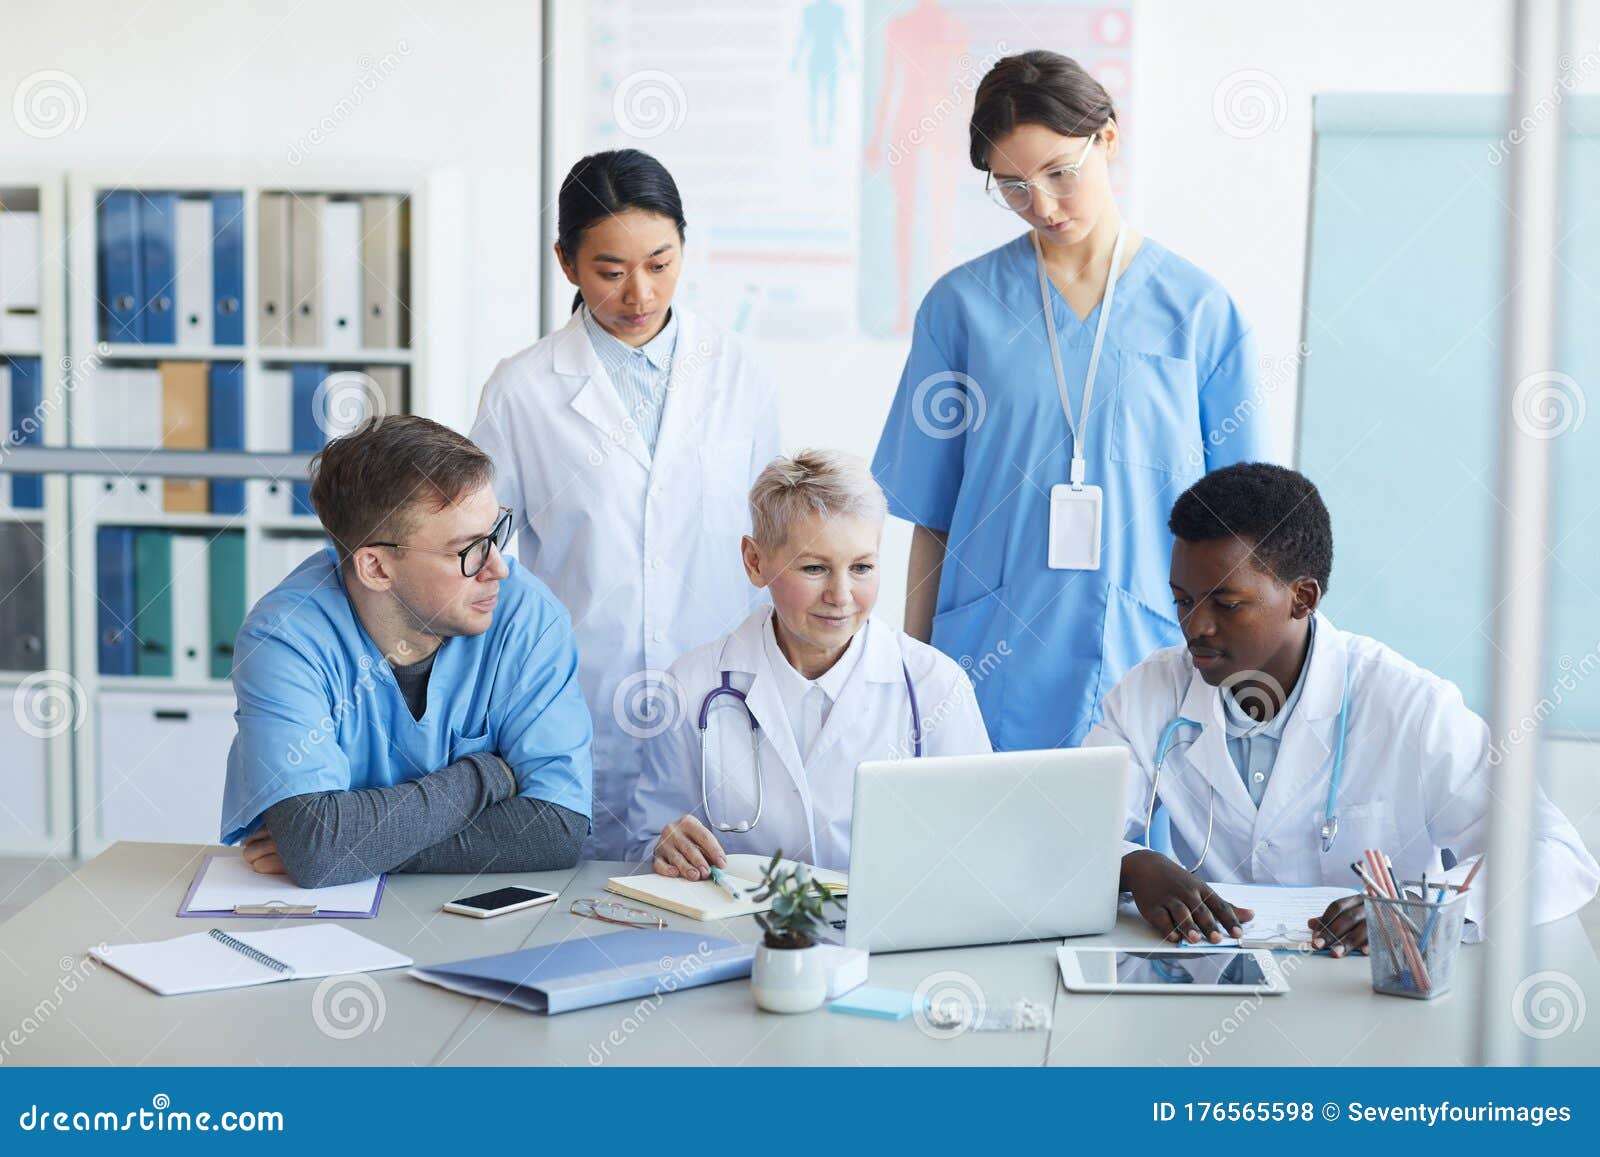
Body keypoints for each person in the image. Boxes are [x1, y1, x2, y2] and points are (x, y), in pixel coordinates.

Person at [872, 50, 1269, 757]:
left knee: (1145, 857)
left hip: (1153, 657)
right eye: (1014, 186)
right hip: (990, 662)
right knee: (984, 850)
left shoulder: (1200, 311)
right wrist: (913, 676)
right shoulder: (961, 310)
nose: (1044, 206)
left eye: (1061, 173)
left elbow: (1243, 533)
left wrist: (1247, 678)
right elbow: (931, 518)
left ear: (1108, 140)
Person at [1087, 462, 1600, 952]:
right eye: (1182, 599)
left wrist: (1418, 907)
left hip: (1368, 987)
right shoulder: (1152, 691)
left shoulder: (1411, 707)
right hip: (1215, 973)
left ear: (1302, 598)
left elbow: (1557, 855)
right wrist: (1131, 864)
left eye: (1226, 604)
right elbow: (1069, 829)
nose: (1195, 626)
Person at [472, 149, 781, 859]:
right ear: (567, 262)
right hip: (576, 706)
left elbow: (773, 543)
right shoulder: (521, 391)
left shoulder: (740, 373)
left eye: (661, 263)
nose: (639, 293)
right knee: (576, 911)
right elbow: (476, 559)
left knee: (715, 912)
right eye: (610, 271)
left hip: (721, 702)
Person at [219, 416, 594, 887]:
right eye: (469, 549)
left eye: (495, 532)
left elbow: (556, 830)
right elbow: (317, 843)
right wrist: (485, 778)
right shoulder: (286, 639)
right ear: (375, 567)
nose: (497, 566)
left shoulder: (528, 618)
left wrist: (355, 848)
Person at [627, 451, 991, 875]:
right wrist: (664, 848)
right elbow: (643, 843)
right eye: (815, 568)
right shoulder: (691, 686)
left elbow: (977, 852)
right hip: (734, 936)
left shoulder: (936, 688)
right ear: (755, 561)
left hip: (882, 936)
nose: (841, 595)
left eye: (861, 567)